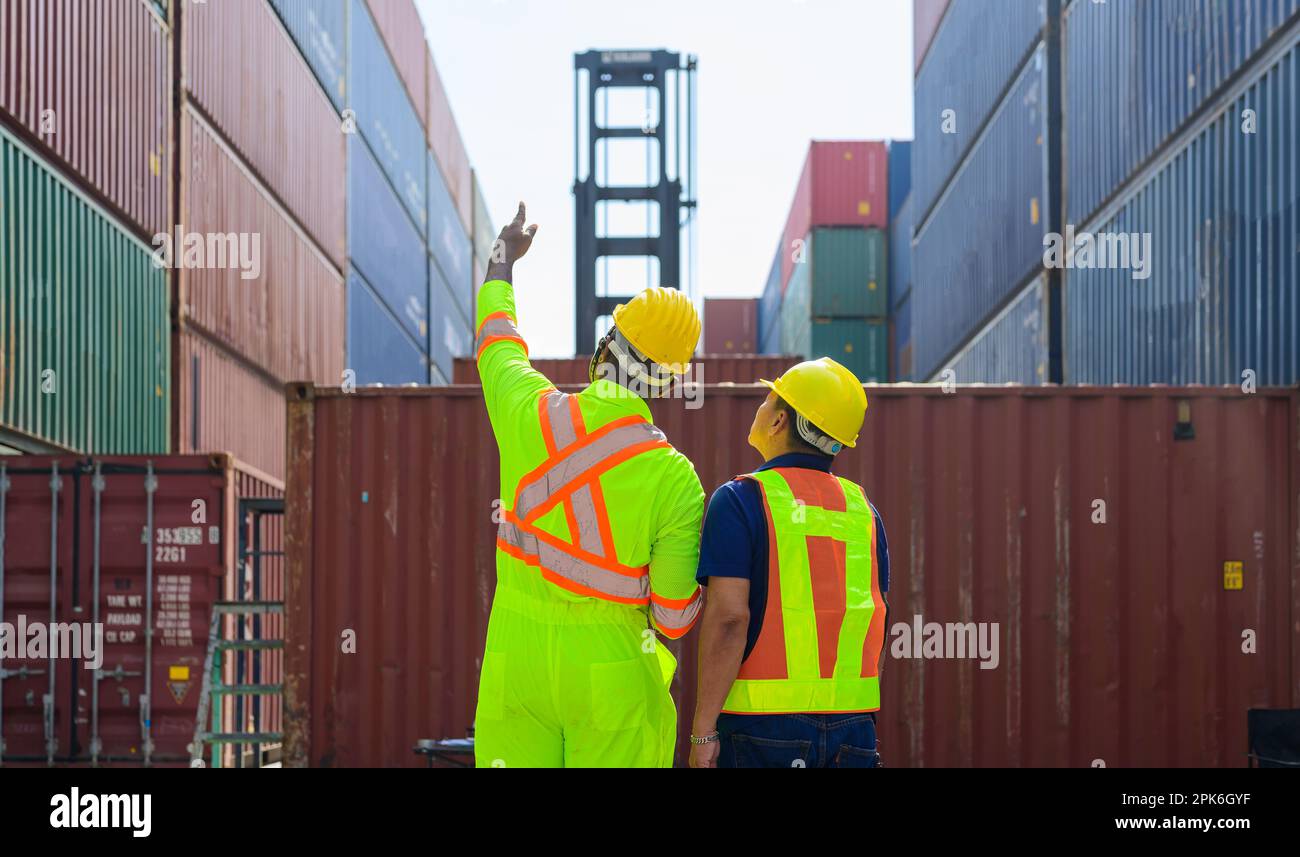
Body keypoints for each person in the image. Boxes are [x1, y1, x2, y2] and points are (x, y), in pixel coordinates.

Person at [473, 203, 705, 768]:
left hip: (516, 663)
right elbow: (674, 615)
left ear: (606, 347)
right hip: (614, 675)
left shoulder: (530, 412)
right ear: (670, 381)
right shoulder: (676, 479)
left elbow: (497, 343)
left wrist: (501, 263)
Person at [688, 357, 889, 768]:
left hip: (762, 732)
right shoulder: (863, 510)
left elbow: (729, 618)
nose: (760, 407)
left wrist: (703, 730)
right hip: (854, 730)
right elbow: (876, 619)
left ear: (779, 421)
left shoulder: (741, 499)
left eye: (767, 398)